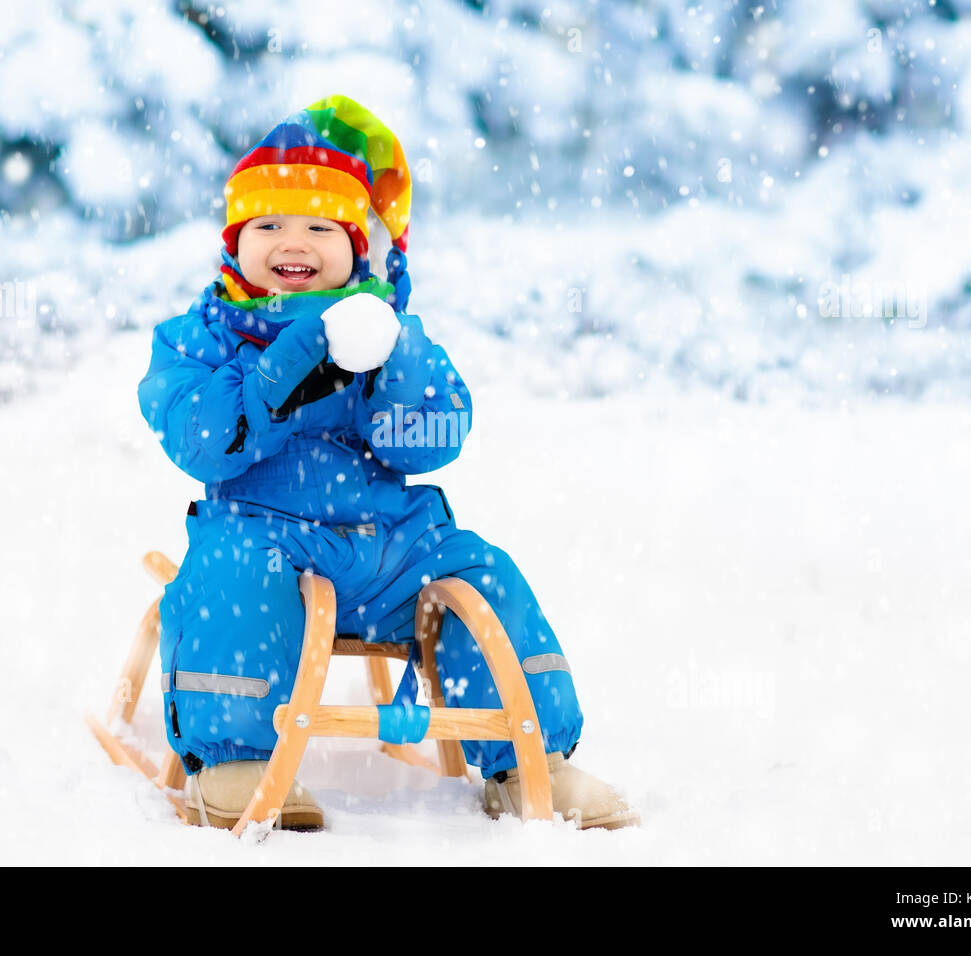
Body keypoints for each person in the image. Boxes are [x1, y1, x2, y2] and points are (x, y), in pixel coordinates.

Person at [137, 93, 640, 831]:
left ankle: (532, 758)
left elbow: (433, 436)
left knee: (481, 572)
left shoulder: (388, 331)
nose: (292, 241)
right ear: (233, 243)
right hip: (264, 530)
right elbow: (200, 437)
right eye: (267, 225)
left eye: (318, 226)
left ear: (356, 245)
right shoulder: (200, 336)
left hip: (389, 547)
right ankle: (235, 759)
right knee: (231, 581)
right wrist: (290, 361)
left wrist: (390, 348)